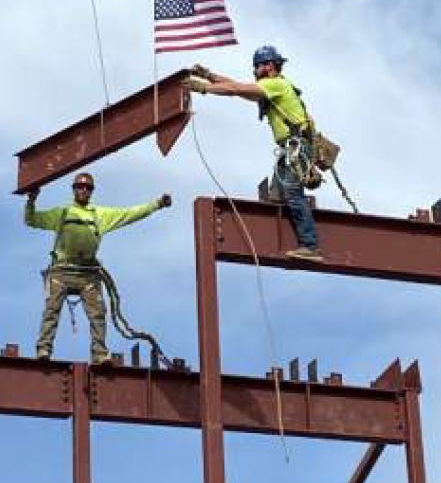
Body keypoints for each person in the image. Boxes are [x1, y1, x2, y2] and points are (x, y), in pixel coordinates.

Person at [185, 46, 323, 261]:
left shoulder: (275, 84)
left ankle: (310, 246)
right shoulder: (272, 86)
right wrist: (209, 75)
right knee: (279, 196)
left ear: (269, 66)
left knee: (293, 196)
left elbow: (235, 89)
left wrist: (204, 87)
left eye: (258, 65)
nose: (255, 69)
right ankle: (294, 236)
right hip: (290, 150)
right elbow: (236, 86)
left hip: (296, 148)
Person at [24, 171, 172, 363]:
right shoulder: (62, 213)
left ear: (91, 191)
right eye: (80, 187)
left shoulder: (99, 215)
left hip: (87, 274)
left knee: (98, 315)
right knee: (51, 311)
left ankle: (100, 355)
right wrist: (31, 201)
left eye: (88, 188)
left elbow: (130, 214)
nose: (84, 190)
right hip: (62, 272)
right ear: (74, 190)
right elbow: (31, 220)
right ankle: (44, 350)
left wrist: (157, 204)